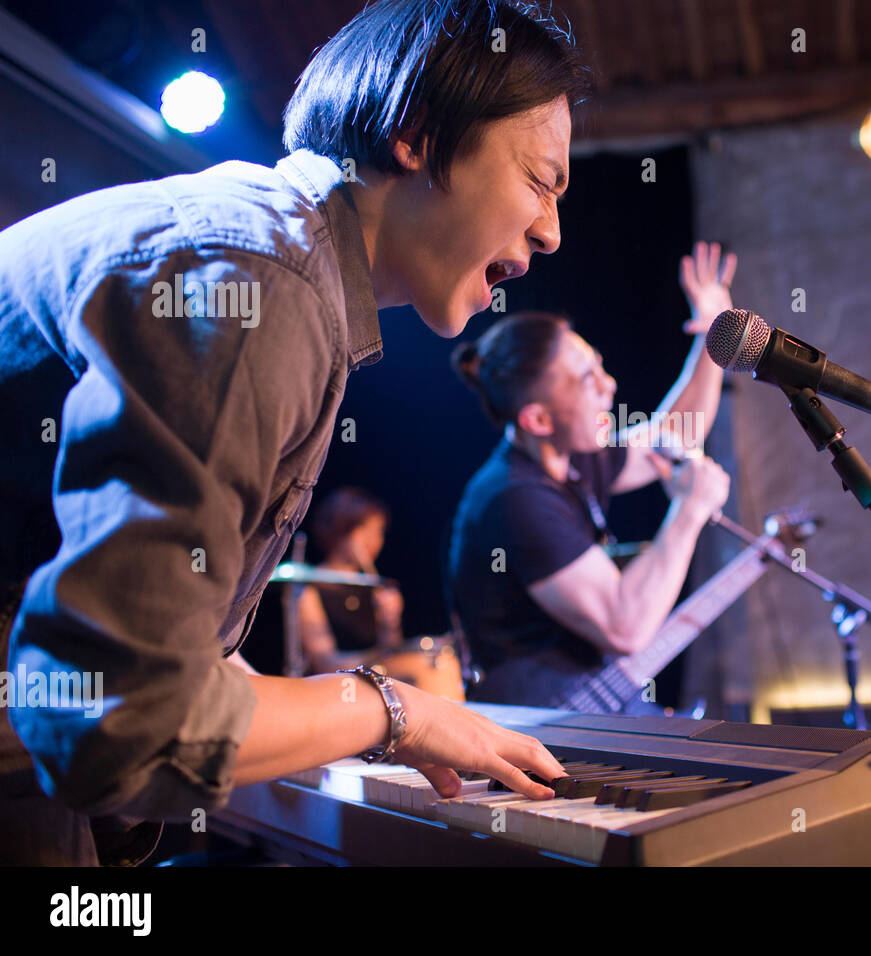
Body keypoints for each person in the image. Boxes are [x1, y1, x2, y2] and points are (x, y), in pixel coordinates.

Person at [0, 0, 583, 865]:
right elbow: (120, 721)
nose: (552, 230)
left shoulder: (281, 259)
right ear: (416, 133)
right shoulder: (257, 281)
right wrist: (395, 712)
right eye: (541, 180)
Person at [447, 242, 736, 707]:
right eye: (587, 380)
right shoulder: (516, 498)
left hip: (583, 699)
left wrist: (711, 335)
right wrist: (690, 510)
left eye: (599, 366)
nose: (610, 386)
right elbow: (625, 627)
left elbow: (678, 431)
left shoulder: (573, 456)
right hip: (539, 723)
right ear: (538, 420)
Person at [297, 488, 404, 674]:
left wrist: (391, 624)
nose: (372, 540)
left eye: (378, 532)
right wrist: (378, 663)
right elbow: (325, 664)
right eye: (364, 530)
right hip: (332, 692)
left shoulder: (375, 588)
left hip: (374, 689)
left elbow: (393, 654)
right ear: (340, 529)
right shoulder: (310, 586)